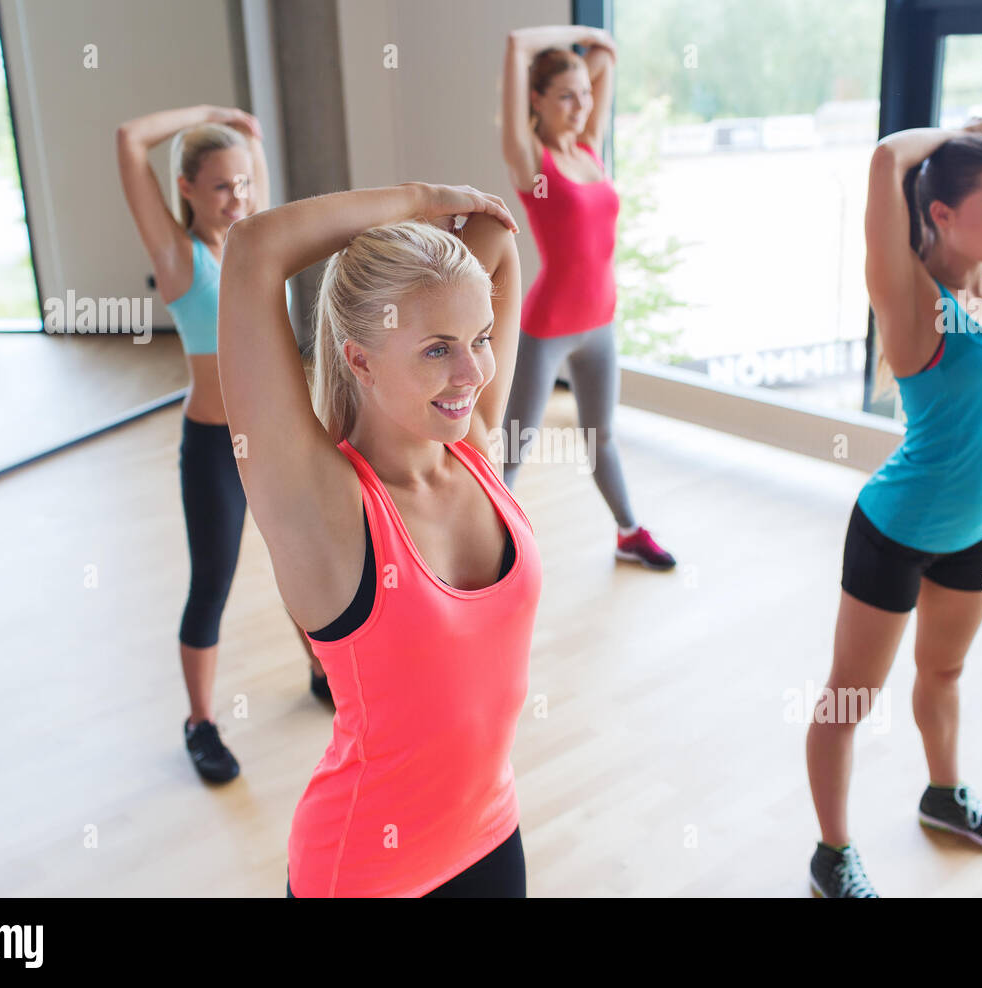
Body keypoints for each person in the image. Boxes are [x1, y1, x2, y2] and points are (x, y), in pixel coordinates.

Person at [216, 181, 543, 896]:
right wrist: (422, 199)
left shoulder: (471, 446)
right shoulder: (322, 506)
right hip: (369, 872)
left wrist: (440, 247)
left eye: (480, 339)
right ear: (359, 359)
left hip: (491, 837)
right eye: (436, 350)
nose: (473, 373)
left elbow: (499, 235)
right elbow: (252, 252)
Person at [805, 117, 982, 897]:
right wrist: (955, 133)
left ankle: (944, 798)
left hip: (975, 530)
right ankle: (832, 853)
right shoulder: (915, 300)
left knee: (943, 673)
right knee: (848, 699)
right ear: (941, 214)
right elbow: (885, 160)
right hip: (897, 530)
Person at [116, 104, 327, 786]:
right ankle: (200, 723)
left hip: (273, 440)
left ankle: (322, 667)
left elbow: (257, 157)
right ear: (185, 190)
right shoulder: (181, 258)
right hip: (212, 448)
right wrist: (207, 115)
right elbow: (129, 139)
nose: (238, 197)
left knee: (303, 561)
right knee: (212, 583)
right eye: (219, 187)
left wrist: (243, 136)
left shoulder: (259, 241)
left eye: (244, 184)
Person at [500, 26, 675, 569]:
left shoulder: (588, 149)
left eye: (586, 94)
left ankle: (628, 532)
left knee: (601, 438)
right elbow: (516, 44)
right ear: (537, 101)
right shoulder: (533, 161)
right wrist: (580, 33)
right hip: (548, 327)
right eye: (566, 96)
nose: (581, 106)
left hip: (600, 324)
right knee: (513, 449)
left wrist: (591, 49)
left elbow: (607, 56)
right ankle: (484, 546)